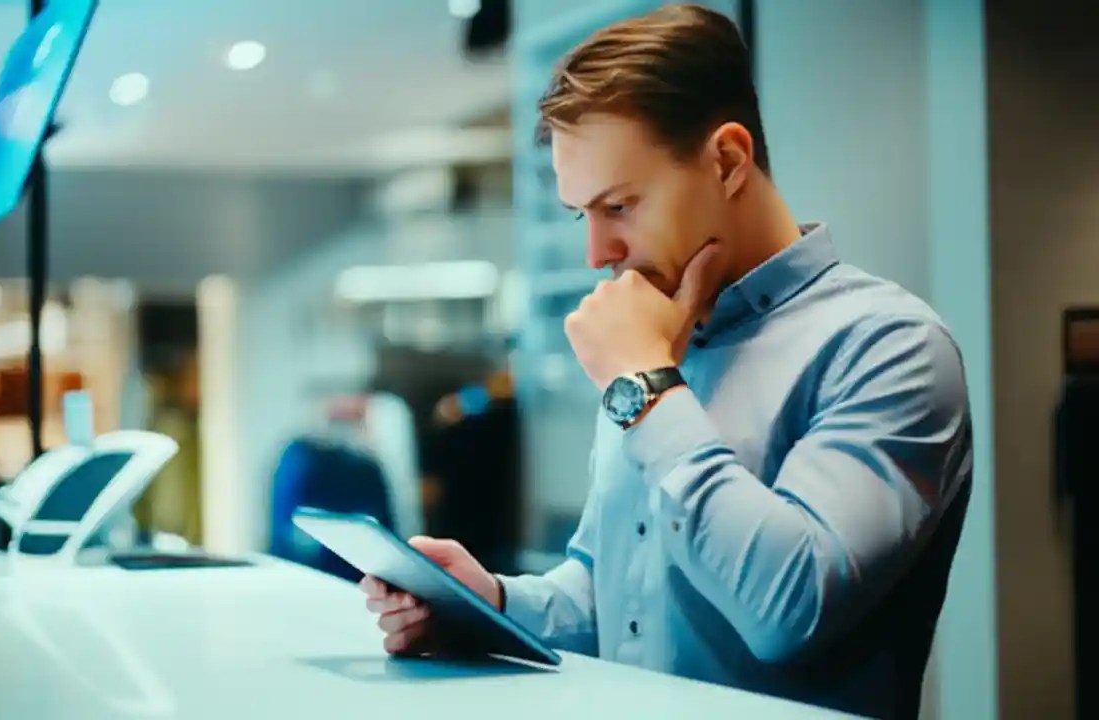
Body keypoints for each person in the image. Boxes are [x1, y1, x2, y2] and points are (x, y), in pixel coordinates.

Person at [360, 5, 972, 719]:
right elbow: (611, 595)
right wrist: (489, 603)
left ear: (728, 161)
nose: (597, 253)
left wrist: (648, 388)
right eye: (580, 213)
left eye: (619, 205)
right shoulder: (650, 340)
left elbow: (790, 610)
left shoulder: (888, 345)